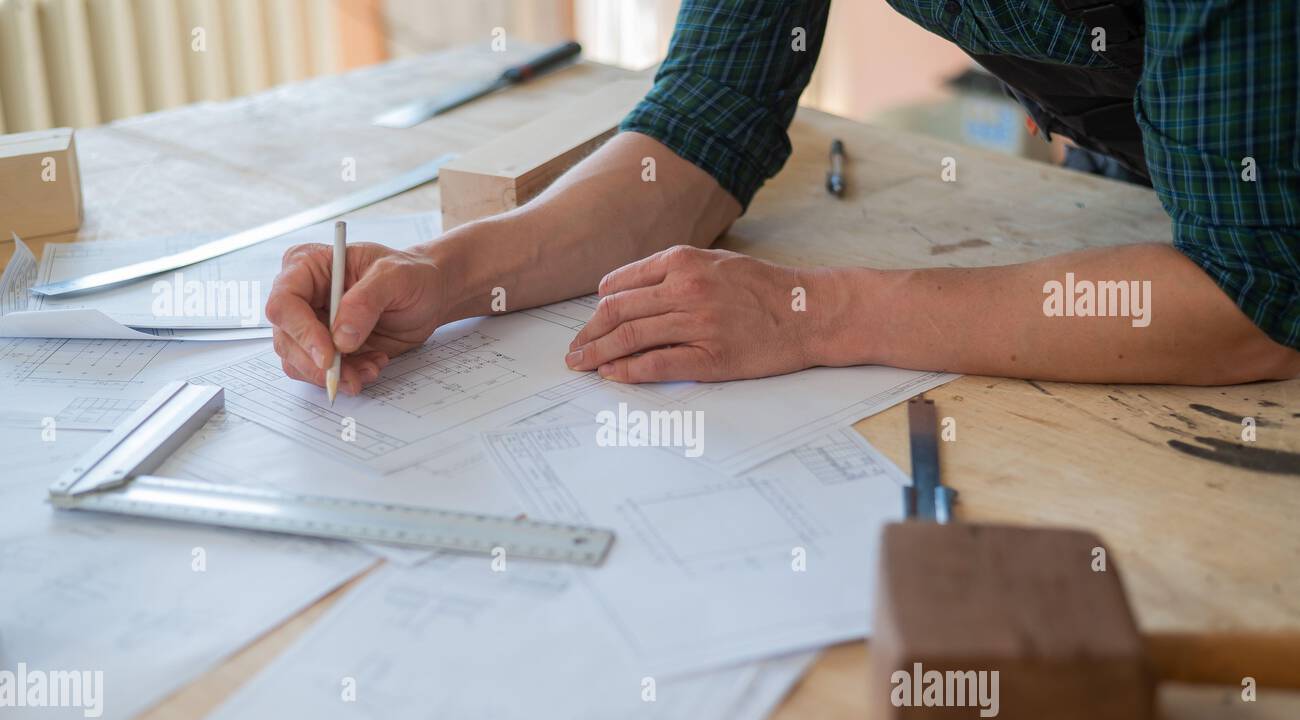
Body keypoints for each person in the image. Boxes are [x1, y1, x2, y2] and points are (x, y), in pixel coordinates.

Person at [266, 0, 1300, 397]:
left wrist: (819, 312)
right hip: (1160, 173)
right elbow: (703, 125)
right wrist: (448, 272)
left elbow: (1250, 296)